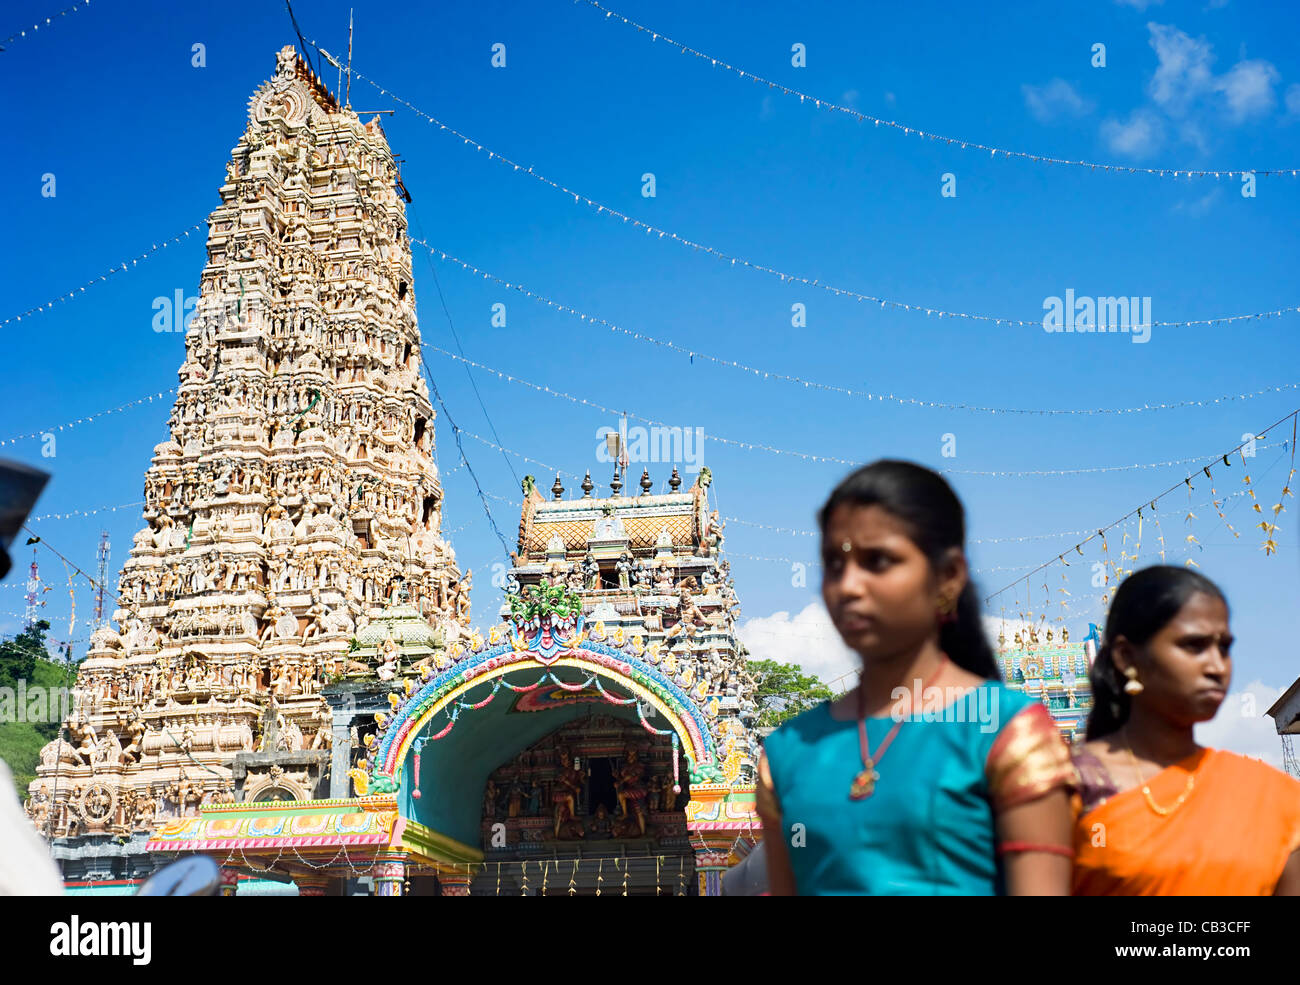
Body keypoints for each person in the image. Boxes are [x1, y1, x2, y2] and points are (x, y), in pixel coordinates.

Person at [755, 460, 1074, 895]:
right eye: (834, 564)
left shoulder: (1007, 734)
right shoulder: (786, 752)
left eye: (879, 561)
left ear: (948, 576)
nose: (848, 586)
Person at [1071, 565, 1300, 895]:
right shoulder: (1066, 785)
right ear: (1126, 657)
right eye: (1194, 645)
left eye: (1224, 647)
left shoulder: (1277, 799)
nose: (1217, 667)